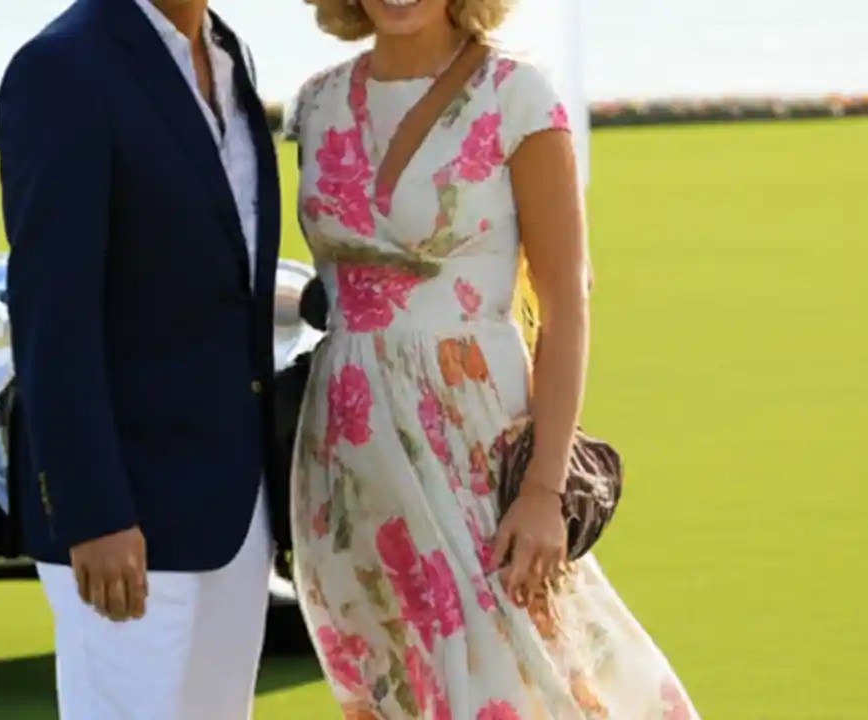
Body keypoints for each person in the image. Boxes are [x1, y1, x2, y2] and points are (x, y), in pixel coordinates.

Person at [286, 0, 700, 717]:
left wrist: (543, 490)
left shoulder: (517, 94)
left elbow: (565, 303)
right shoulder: (318, 104)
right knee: (397, 692)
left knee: (522, 677)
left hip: (473, 437)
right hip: (346, 454)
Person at [0, 0, 283, 718]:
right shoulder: (61, 68)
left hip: (235, 505)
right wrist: (92, 512)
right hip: (126, 515)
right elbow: (51, 313)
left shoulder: (230, 54)